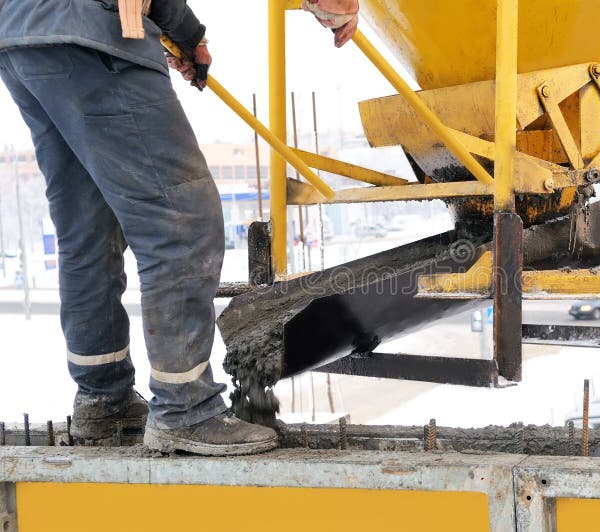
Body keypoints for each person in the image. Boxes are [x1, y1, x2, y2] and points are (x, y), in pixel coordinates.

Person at [0, 0, 358, 456]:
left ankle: (103, 398)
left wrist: (186, 33)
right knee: (182, 223)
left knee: (89, 228)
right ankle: (186, 409)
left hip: (23, 35)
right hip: (92, 32)